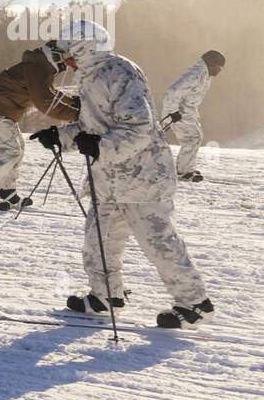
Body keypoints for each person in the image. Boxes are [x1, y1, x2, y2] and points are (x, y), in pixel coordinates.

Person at [29, 20, 213, 329]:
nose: (64, 61)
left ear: (83, 48)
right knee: (97, 241)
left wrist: (100, 146)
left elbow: (138, 128)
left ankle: (195, 303)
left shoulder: (118, 72)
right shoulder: (89, 76)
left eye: (67, 53)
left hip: (143, 176)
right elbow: (94, 129)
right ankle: (106, 298)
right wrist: (61, 137)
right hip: (110, 178)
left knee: (157, 241)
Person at [0, 43, 80, 210]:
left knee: (17, 149)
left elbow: (50, 92)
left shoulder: (40, 67)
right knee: (9, 152)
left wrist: (72, 102)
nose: (66, 66)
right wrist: (76, 115)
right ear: (56, 56)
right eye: (66, 61)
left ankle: (7, 192)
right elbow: (45, 103)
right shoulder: (37, 69)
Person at [163, 50, 226, 182]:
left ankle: (186, 168)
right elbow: (173, 91)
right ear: (211, 64)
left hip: (186, 112)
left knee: (195, 138)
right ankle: (182, 172)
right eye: (219, 67)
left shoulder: (204, 74)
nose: (220, 71)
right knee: (192, 139)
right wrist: (173, 112)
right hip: (178, 113)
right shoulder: (196, 75)